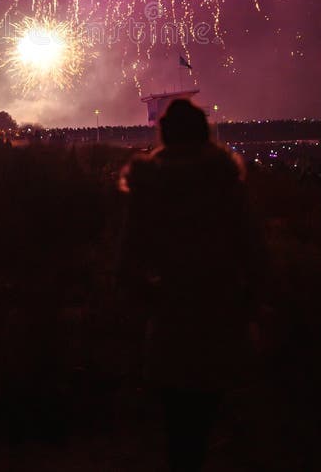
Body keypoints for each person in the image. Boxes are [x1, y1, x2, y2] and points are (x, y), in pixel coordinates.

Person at [119, 99, 266, 471]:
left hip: (171, 312)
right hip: (220, 309)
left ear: (164, 135)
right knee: (208, 410)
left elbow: (128, 263)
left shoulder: (149, 186)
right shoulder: (226, 182)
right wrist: (250, 303)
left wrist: (153, 298)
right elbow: (255, 253)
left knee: (177, 421)